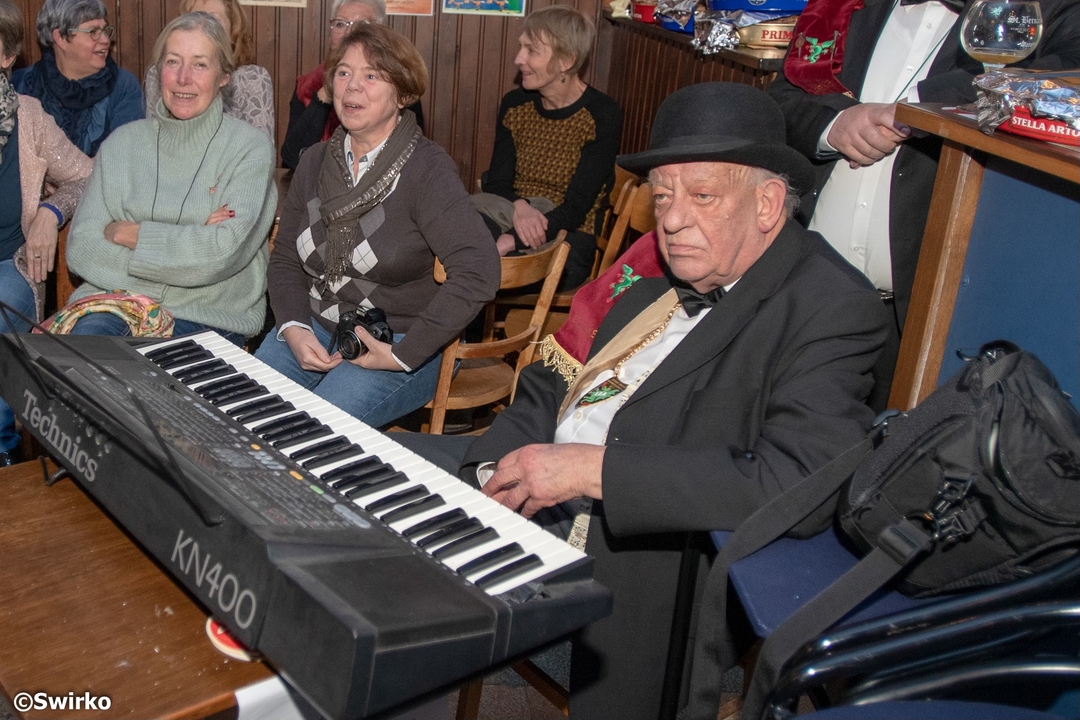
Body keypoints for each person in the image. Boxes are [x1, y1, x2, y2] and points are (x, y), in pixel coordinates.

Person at [396, 82, 890, 719]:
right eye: (662, 196)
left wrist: (588, 471)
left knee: (405, 599)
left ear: (768, 203)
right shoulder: (651, 280)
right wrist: (496, 470)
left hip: (642, 558)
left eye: (702, 196)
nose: (673, 219)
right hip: (536, 502)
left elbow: (798, 482)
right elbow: (547, 387)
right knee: (357, 480)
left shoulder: (830, 307)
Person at [767, 0, 1080, 406]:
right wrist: (835, 126)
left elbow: (1068, 71)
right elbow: (781, 100)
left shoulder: (1037, 9)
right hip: (801, 293)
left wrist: (923, 102)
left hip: (921, 321)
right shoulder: (842, 6)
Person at [256, 22, 498, 430]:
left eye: (371, 76)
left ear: (403, 94)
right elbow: (284, 260)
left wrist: (402, 356)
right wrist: (294, 328)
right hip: (315, 325)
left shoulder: (427, 170)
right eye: (345, 72)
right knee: (242, 412)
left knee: (312, 431)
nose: (352, 87)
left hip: (401, 341)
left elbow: (479, 271)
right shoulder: (313, 162)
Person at [64, 11, 276, 343]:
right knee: (79, 377)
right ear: (158, 70)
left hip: (205, 317)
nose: (182, 78)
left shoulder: (249, 149)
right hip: (112, 304)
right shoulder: (122, 144)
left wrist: (130, 233)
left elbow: (221, 254)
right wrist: (189, 246)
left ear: (224, 76)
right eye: (173, 61)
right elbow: (82, 248)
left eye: (200, 65)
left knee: (152, 391)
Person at [0, 0, 92, 467]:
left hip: (7, 264)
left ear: (6, 55)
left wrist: (50, 211)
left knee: (5, 301)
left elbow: (87, 174)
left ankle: (4, 450)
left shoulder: (29, 117)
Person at [474, 4, 621, 290]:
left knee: (483, 264)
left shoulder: (601, 114)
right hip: (510, 212)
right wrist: (520, 208)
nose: (519, 59)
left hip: (570, 234)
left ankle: (480, 333)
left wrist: (511, 240)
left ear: (566, 60)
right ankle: (467, 335)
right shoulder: (516, 105)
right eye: (521, 48)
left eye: (531, 50)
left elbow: (578, 207)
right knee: (463, 244)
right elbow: (499, 181)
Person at [280, 0, 425, 170]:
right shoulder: (307, 85)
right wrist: (325, 93)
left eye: (362, 24)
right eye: (340, 24)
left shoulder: (397, 85)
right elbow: (292, 159)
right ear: (329, 35)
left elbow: (413, 157)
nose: (349, 32)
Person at [11, 0, 142, 156]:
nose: (105, 40)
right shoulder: (21, 84)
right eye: (93, 32)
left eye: (105, 30)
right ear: (60, 37)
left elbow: (125, 159)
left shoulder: (123, 87)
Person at [143, 0, 274, 140]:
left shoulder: (251, 77)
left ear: (233, 32)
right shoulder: (160, 74)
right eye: (194, 18)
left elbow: (261, 147)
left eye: (214, 20)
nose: (203, 27)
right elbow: (153, 138)